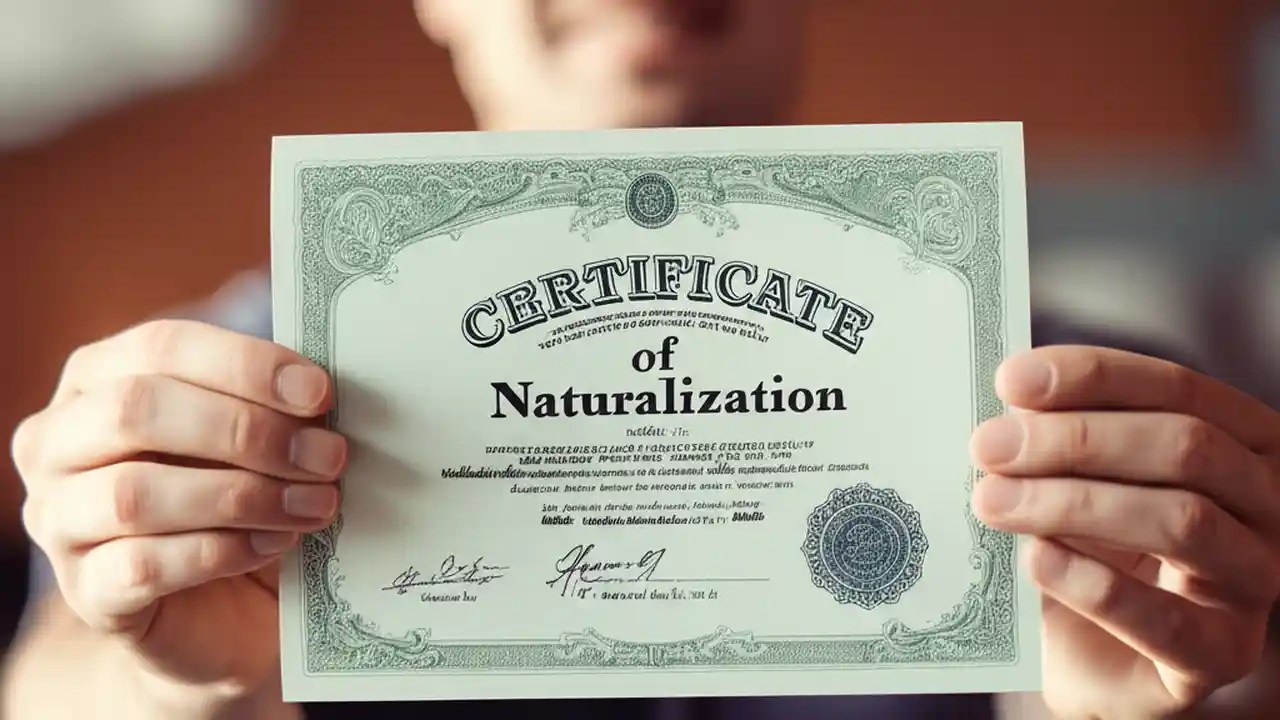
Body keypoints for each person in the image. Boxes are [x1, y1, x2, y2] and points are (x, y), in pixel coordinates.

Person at [4, 1, 1279, 718]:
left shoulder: (1094, 409)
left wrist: (1170, 708)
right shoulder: (215, 386)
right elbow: (43, 693)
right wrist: (157, 677)